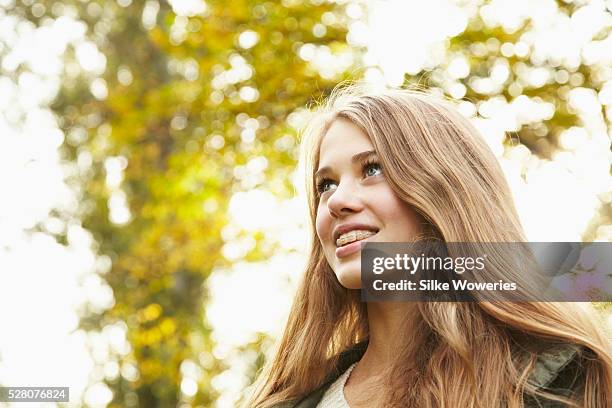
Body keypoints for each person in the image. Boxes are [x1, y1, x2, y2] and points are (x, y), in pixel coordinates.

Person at [246, 83, 611, 407]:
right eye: (325, 184)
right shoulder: (289, 398)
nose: (338, 200)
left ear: (448, 193)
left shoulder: (561, 378)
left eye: (373, 169)